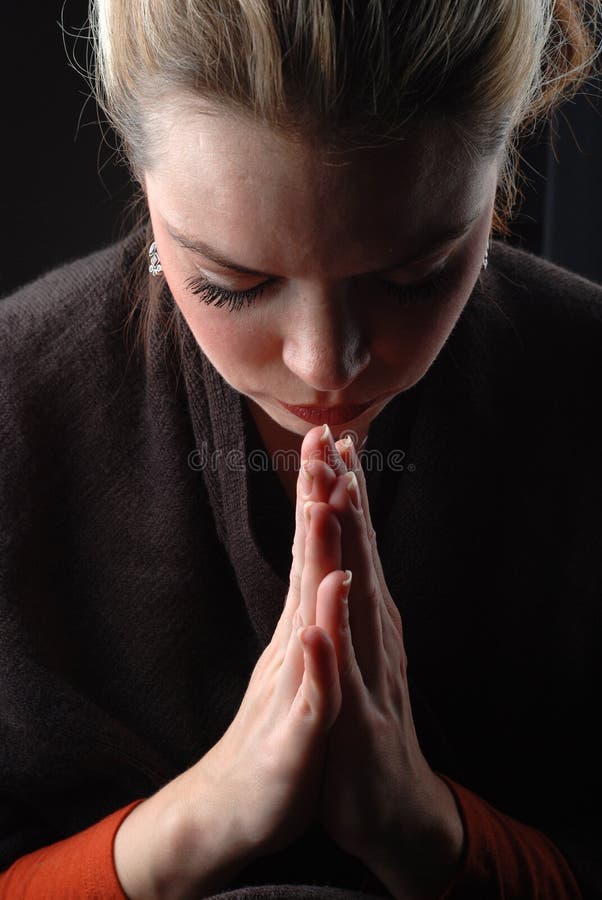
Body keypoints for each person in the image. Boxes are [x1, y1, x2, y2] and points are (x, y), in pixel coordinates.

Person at [1, 1, 601, 898]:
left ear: (504, 161)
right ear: (139, 168)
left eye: (415, 277)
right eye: (233, 284)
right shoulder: (16, 405)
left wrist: (429, 830)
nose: (326, 365)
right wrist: (203, 815)